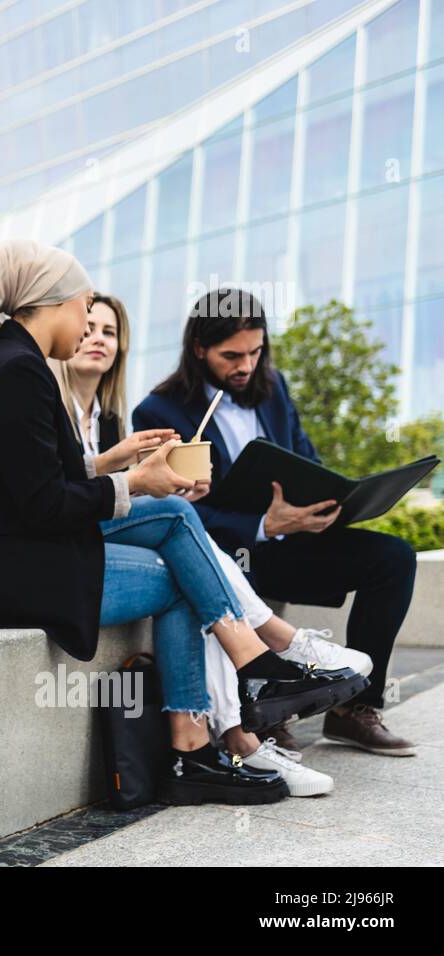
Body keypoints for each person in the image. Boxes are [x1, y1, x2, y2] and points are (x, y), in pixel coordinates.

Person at [0, 240, 367, 806]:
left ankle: (242, 685)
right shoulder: (18, 370)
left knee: (173, 517)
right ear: (51, 302)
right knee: (176, 563)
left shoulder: (8, 361)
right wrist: (134, 483)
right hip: (11, 578)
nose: (90, 320)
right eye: (84, 304)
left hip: (19, 558)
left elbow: (33, 481)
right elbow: (43, 504)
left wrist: (123, 470)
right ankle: (210, 725)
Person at [57, 293, 374, 795]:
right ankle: (266, 678)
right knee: (184, 534)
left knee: (188, 553)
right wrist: (138, 479)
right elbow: (54, 493)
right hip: (62, 550)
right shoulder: (64, 404)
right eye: (88, 326)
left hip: (134, 537)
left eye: (110, 331)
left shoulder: (111, 417)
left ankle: (200, 747)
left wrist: (161, 482)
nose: (97, 337)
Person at [133, 289, 418, 757]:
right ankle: (266, 713)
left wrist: (328, 503)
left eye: (256, 351)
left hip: (292, 545)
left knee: (394, 558)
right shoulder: (158, 412)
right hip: (224, 556)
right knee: (228, 568)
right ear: (199, 348)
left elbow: (306, 459)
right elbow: (173, 513)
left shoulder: (274, 388)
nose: (246, 365)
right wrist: (262, 523)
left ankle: (353, 711)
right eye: (232, 356)